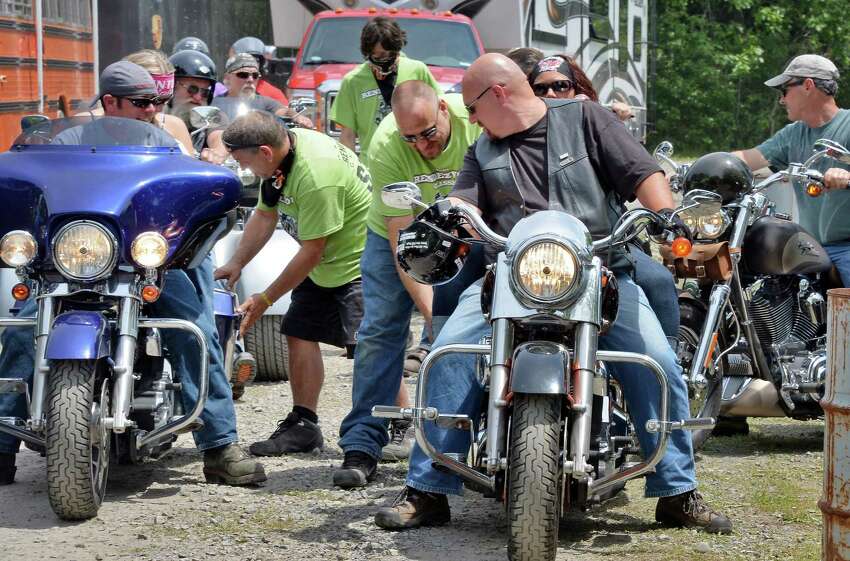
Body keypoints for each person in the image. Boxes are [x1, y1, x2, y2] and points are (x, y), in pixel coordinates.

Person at [373, 54, 732, 534]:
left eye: (473, 108)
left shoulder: (586, 119)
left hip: (599, 273)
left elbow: (642, 173)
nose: (471, 119)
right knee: (448, 353)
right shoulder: (482, 149)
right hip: (510, 276)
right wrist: (447, 212)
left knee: (657, 362)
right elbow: (464, 198)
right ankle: (427, 487)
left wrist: (666, 213)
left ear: (498, 93)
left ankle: (677, 490)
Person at [0, 61, 266, 487]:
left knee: (195, 331)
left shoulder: (166, 140)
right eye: (141, 102)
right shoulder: (69, 140)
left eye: (156, 101)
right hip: (76, 257)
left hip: (147, 261)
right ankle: (2, 446)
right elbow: (41, 182)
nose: (151, 110)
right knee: (19, 333)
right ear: (111, 102)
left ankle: (220, 446)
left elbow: (185, 192)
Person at [333, 81, 483, 487]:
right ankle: (362, 442)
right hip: (402, 234)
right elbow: (403, 242)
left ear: (444, 111)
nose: (421, 146)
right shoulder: (385, 146)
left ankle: (480, 441)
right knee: (380, 329)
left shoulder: (474, 121)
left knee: (486, 322)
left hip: (470, 229)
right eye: (410, 138)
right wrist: (432, 316)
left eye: (428, 133)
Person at [214, 111, 370, 456]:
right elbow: (265, 214)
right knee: (299, 331)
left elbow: (312, 251)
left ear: (265, 151)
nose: (245, 169)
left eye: (244, 162)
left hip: (360, 263)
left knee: (370, 350)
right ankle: (304, 426)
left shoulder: (316, 175)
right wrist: (236, 263)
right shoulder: (283, 157)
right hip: (325, 261)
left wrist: (265, 298)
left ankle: (395, 426)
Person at [526, 54, 680, 340]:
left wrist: (666, 214)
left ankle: (670, 359)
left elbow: (641, 171)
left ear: (576, 89)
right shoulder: (514, 132)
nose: (551, 94)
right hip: (535, 256)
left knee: (657, 281)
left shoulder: (592, 119)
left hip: (605, 246)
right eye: (540, 88)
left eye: (560, 86)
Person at [733, 54, 850, 286]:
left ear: (808, 85)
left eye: (784, 90)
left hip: (846, 247)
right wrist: (700, 169)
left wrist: (847, 176)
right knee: (768, 287)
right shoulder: (793, 134)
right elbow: (748, 158)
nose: (781, 100)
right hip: (809, 246)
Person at [330, 16, 440, 160]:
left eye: (391, 54)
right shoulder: (353, 81)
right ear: (368, 53)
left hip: (413, 162)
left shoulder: (417, 70)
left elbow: (439, 111)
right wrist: (350, 168)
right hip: (374, 162)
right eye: (379, 56)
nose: (386, 60)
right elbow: (347, 135)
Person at [212, 53, 311, 128]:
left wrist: (298, 117)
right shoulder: (214, 103)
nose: (250, 80)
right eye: (243, 75)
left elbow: (284, 111)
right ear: (227, 78)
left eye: (255, 75)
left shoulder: (265, 102)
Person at [230, 36, 289, 104]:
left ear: (261, 64)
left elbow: (284, 109)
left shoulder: (273, 94)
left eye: (256, 60)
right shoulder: (225, 90)